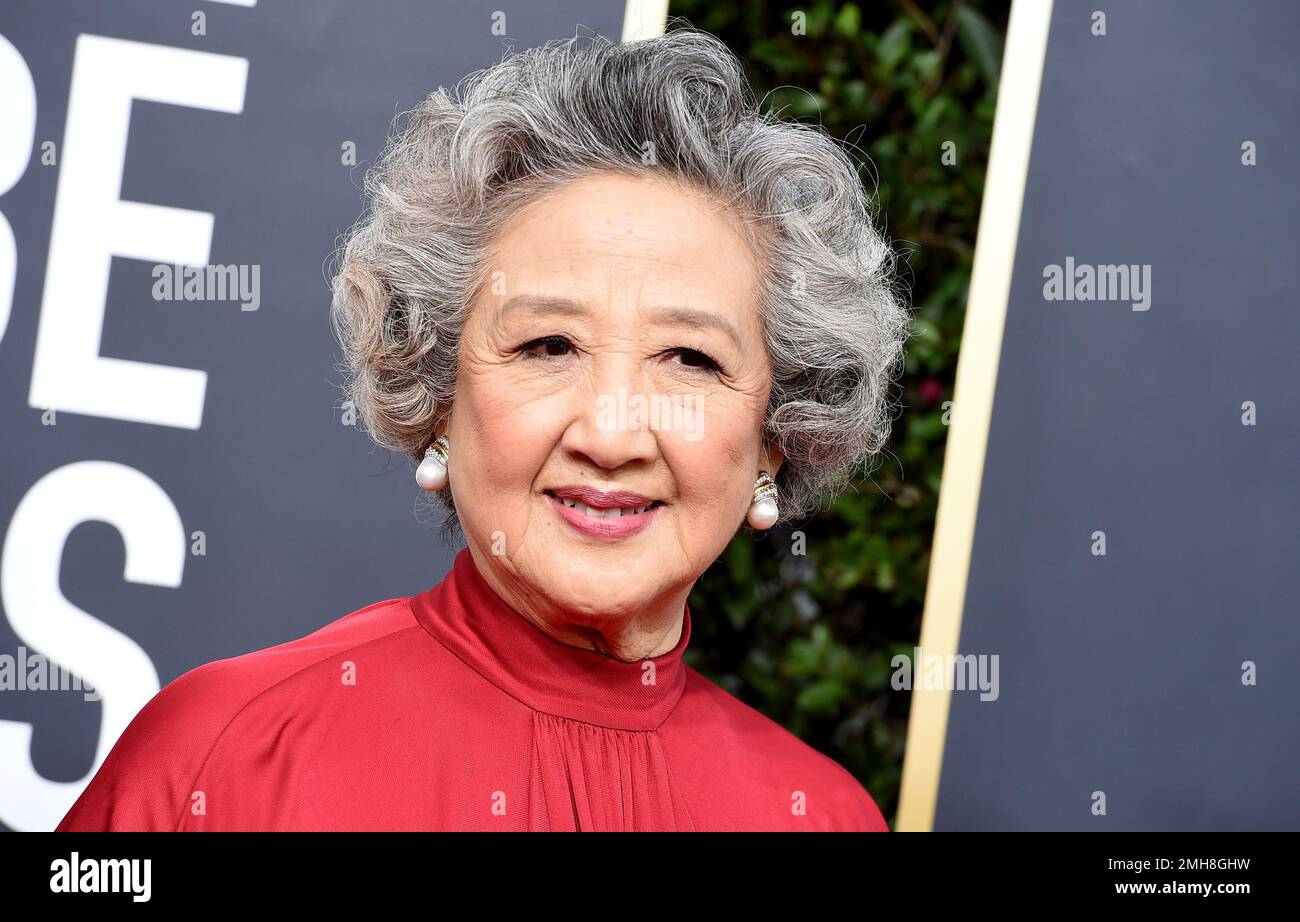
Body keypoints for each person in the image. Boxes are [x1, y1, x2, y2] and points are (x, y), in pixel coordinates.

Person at [56, 27, 907, 832]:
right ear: (437, 396)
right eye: (547, 344)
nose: (611, 437)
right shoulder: (226, 755)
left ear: (776, 434)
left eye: (689, 359)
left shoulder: (820, 813)